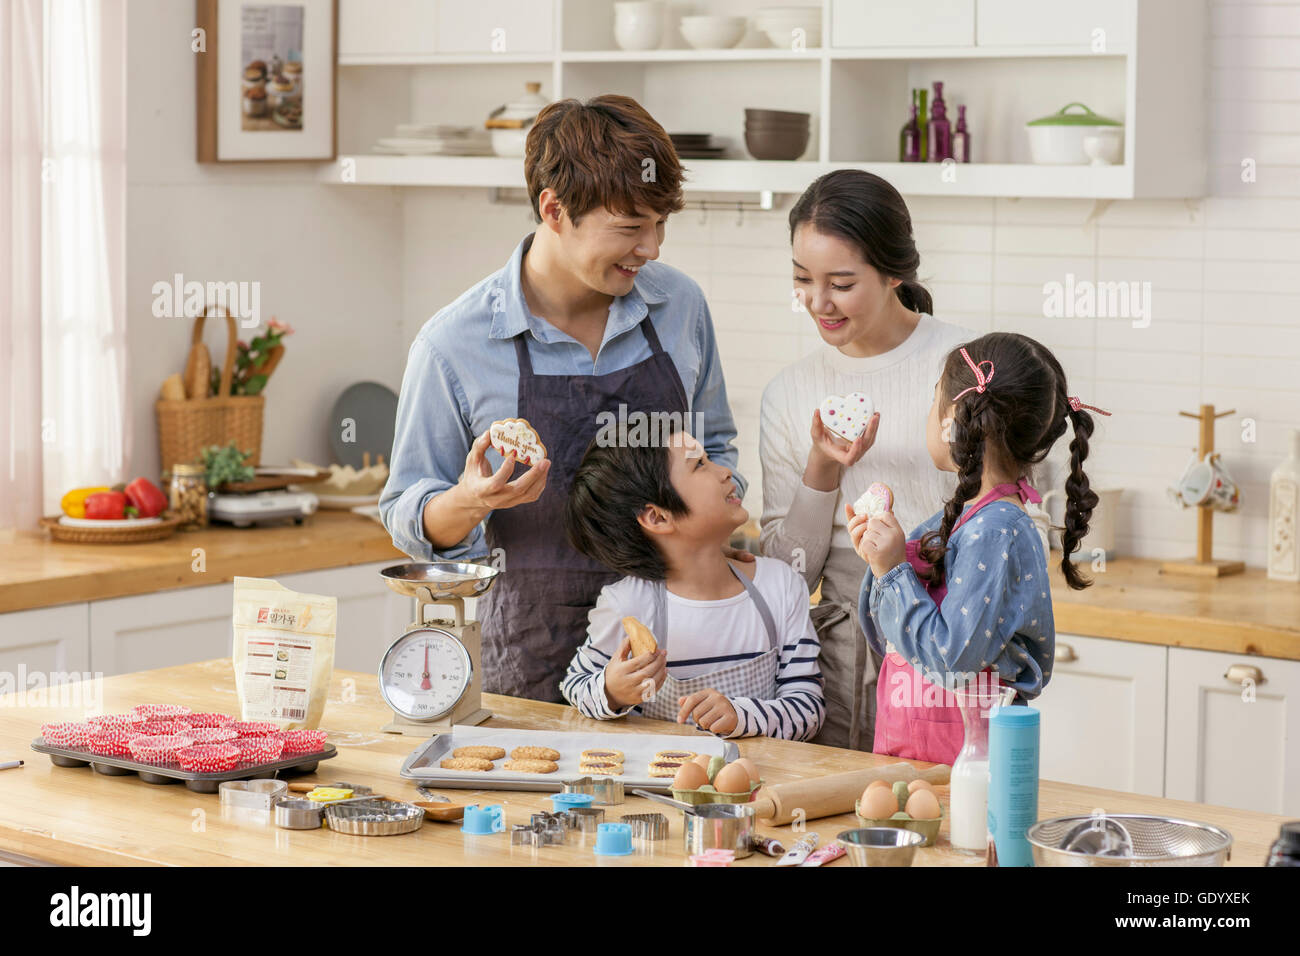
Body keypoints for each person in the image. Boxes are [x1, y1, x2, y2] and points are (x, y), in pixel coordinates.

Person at [380, 95, 747, 702]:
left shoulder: (680, 307)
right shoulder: (454, 344)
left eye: (660, 225)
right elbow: (408, 514)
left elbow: (713, 446)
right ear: (555, 209)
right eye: (631, 227)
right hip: (532, 653)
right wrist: (470, 501)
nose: (651, 248)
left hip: (680, 655)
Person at [758, 169, 971, 751]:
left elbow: (1013, 515)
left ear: (894, 270)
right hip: (845, 660)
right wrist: (822, 468)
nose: (817, 302)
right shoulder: (789, 392)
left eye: (842, 283)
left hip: (952, 644)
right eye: (803, 279)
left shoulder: (965, 368)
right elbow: (791, 575)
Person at [849, 332, 1105, 765]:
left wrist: (893, 573)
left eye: (934, 403)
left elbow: (952, 664)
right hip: (905, 758)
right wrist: (878, 564)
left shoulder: (998, 531)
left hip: (965, 774)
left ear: (953, 418)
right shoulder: (956, 522)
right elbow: (889, 640)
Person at [560, 426, 825, 740]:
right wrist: (612, 690)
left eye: (709, 459)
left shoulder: (779, 586)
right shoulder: (628, 605)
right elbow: (575, 685)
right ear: (658, 518)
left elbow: (808, 709)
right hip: (657, 788)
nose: (726, 472)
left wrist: (742, 716)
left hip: (763, 786)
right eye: (699, 465)